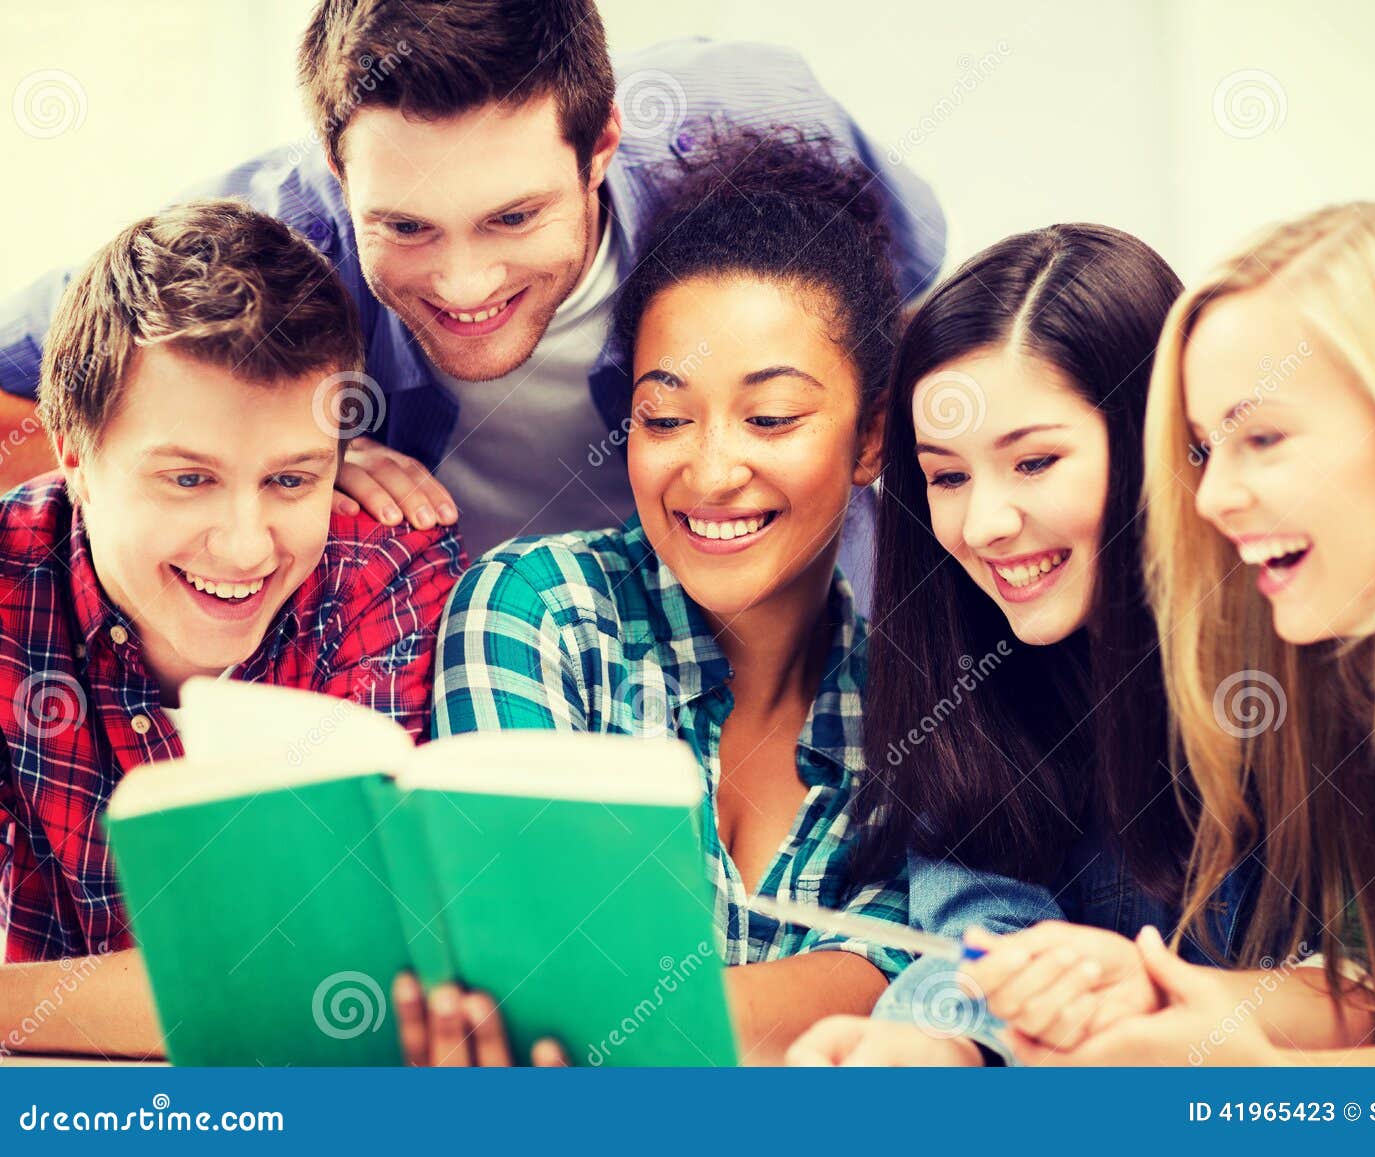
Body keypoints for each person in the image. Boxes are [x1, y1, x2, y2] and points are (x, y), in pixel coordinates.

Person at [0, 0, 946, 602]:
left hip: (796, 658)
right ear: (337, 169)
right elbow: (24, 409)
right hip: (463, 698)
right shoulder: (270, 244)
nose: (463, 288)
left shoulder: (753, 120)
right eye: (407, 228)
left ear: (603, 142)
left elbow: (907, 330)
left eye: (512, 217)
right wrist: (277, 462)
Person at [976, 201, 1375, 1064]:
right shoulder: (1367, 635)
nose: (1211, 498)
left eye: (1262, 437)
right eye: (1202, 449)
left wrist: (1277, 1095)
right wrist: (1163, 1000)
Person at [409, 132, 909, 1066]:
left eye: (771, 418)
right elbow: (532, 995)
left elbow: (902, 980)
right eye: (666, 417)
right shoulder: (534, 611)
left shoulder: (909, 705)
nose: (712, 471)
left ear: (871, 436)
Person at [0, 199, 463, 1059]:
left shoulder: (382, 585)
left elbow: (302, 983)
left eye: (292, 479)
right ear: (74, 454)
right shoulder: (9, 582)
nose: (246, 545)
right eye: (188, 479)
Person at [787, 225, 1254, 1067]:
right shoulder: (971, 683)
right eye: (949, 476)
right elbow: (981, 938)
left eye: (1034, 462)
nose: (985, 525)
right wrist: (936, 1047)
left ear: (1157, 440)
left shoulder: (1294, 660)